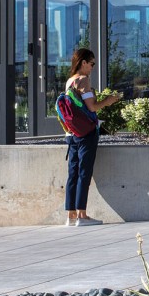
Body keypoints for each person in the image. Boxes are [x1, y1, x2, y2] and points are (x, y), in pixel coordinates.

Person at [63, 47, 123, 226]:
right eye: (92, 64)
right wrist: (108, 101)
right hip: (86, 133)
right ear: (83, 63)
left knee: (73, 173)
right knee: (84, 172)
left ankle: (71, 215)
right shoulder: (83, 80)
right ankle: (82, 215)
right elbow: (92, 107)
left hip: (71, 133)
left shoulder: (69, 81)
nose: (92, 67)